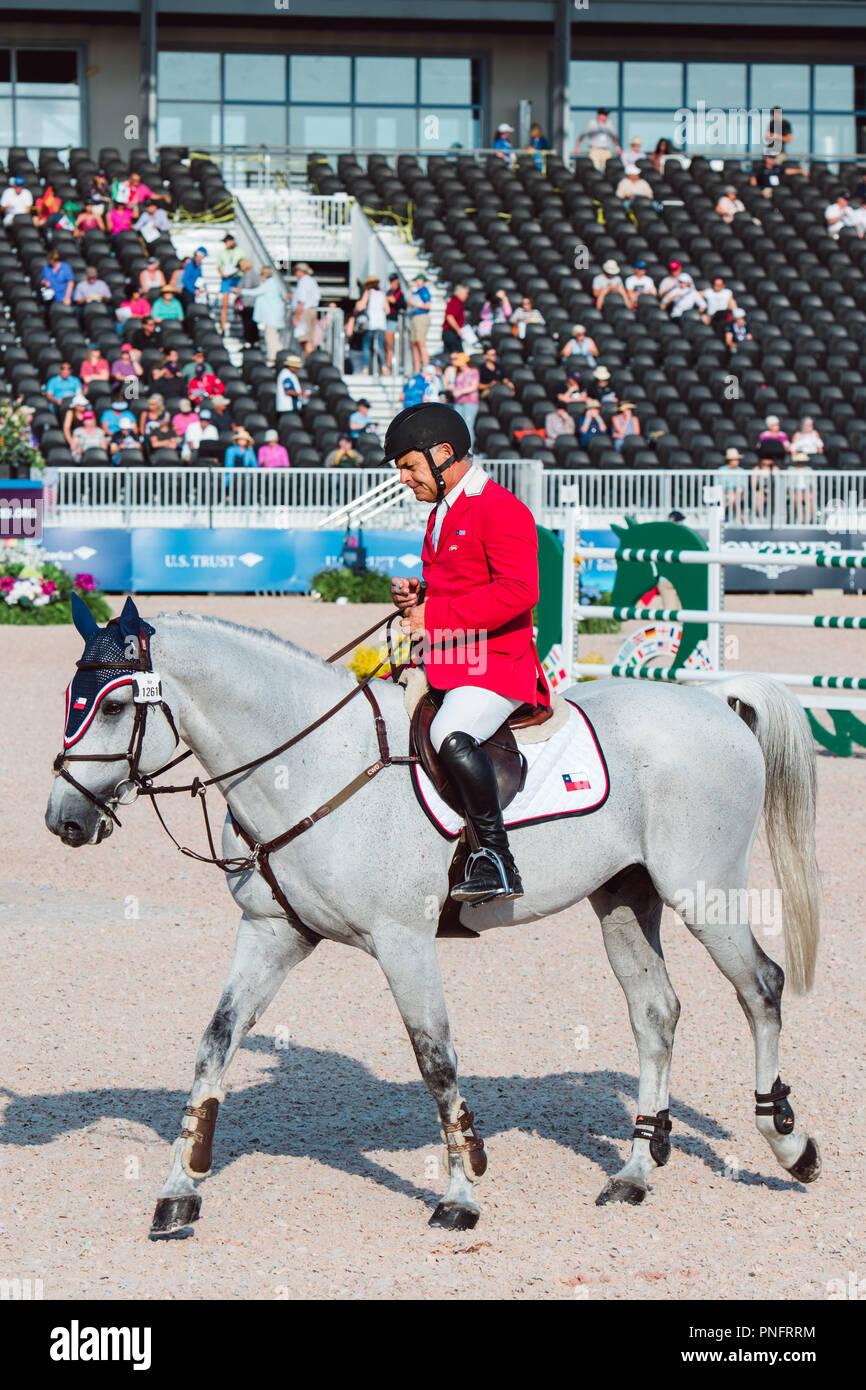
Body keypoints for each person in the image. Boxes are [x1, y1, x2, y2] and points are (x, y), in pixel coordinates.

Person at [387, 403, 549, 902]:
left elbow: (520, 591)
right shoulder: (442, 513)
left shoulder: (498, 507)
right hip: (448, 658)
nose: (406, 480)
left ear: (443, 453)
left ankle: (495, 858)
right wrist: (419, 598)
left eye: (410, 467)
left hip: (497, 664)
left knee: (450, 734)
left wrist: (431, 617)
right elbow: (459, 588)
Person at [239, 265, 287, 365]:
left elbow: (255, 292)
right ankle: (277, 357)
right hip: (274, 316)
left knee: (270, 337)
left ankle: (272, 359)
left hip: (272, 317)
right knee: (274, 337)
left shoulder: (269, 284)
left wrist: (241, 291)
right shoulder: (273, 283)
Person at [355, 275, 388, 375]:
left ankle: (365, 369)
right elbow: (387, 310)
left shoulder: (368, 292)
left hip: (370, 323)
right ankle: (384, 368)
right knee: (380, 346)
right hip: (381, 323)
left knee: (366, 346)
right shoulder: (382, 294)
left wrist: (357, 306)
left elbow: (361, 306)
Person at [289, 262, 321, 357]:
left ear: (300, 272)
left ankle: (309, 361)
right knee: (309, 339)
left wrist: (296, 317)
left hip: (304, 312)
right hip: (312, 311)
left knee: (304, 340)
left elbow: (301, 301)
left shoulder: (302, 282)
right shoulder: (312, 281)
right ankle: (310, 360)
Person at [451, 353, 481, 446]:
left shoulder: (473, 372)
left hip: (470, 402)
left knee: (468, 425)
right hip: (458, 402)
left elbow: (474, 386)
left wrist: (460, 391)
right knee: (459, 426)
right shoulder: (458, 373)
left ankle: (469, 448)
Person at [217, 233, 243, 334]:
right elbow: (219, 266)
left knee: (239, 301)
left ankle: (238, 320)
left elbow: (242, 264)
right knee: (225, 303)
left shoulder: (239, 251)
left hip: (237, 277)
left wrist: (234, 270)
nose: (226, 244)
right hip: (227, 278)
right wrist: (222, 274)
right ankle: (223, 326)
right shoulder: (222, 253)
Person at [406, 272, 432, 371]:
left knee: (421, 343)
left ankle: (426, 367)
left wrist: (414, 304)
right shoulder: (418, 292)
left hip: (421, 317)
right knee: (414, 343)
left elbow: (427, 305)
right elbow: (411, 297)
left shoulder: (424, 291)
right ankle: (417, 368)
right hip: (416, 317)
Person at [715, 447, 747, 521]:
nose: (737, 461)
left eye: (737, 459)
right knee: (733, 497)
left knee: (735, 495)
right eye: (735, 459)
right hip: (725, 494)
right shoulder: (721, 470)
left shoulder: (741, 471)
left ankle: (721, 514)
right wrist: (729, 492)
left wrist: (734, 492)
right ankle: (740, 518)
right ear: (729, 460)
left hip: (738, 494)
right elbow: (719, 485)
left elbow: (743, 486)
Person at [384, 272, 404, 375]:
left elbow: (401, 304)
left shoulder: (399, 293)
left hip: (393, 321)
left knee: (389, 345)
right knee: (385, 345)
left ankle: (388, 367)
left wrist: (391, 300)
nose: (392, 283)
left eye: (393, 281)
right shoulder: (389, 292)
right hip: (386, 320)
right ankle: (386, 367)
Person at [787, 452, 816, 523]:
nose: (801, 463)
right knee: (798, 498)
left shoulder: (809, 469)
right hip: (794, 491)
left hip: (806, 491)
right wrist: (794, 491)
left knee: (810, 497)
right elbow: (788, 484)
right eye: (799, 461)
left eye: (802, 461)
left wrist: (809, 491)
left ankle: (809, 520)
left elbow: (813, 484)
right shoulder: (790, 469)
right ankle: (801, 520)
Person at [237, 259, 260, 346]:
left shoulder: (248, 274)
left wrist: (237, 291)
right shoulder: (253, 272)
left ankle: (249, 341)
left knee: (248, 323)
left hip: (248, 303)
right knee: (252, 323)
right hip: (252, 303)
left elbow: (246, 287)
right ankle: (253, 341)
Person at [442, 284, 469, 355]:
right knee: (458, 357)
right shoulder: (455, 301)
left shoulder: (455, 301)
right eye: (466, 293)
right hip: (451, 333)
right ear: (460, 293)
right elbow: (450, 317)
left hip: (450, 332)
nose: (467, 296)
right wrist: (458, 330)